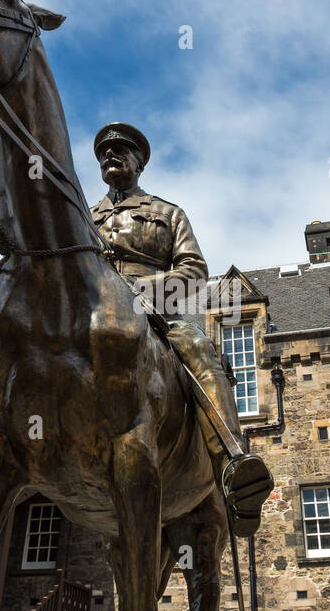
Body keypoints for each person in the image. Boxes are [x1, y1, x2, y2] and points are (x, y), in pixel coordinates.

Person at [91, 122, 273, 535]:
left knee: (200, 348)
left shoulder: (168, 213)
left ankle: (231, 461)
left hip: (152, 313)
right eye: (105, 152)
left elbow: (193, 273)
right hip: (91, 314)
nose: (111, 156)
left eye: (121, 150)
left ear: (140, 161)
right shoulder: (85, 217)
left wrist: (136, 289)